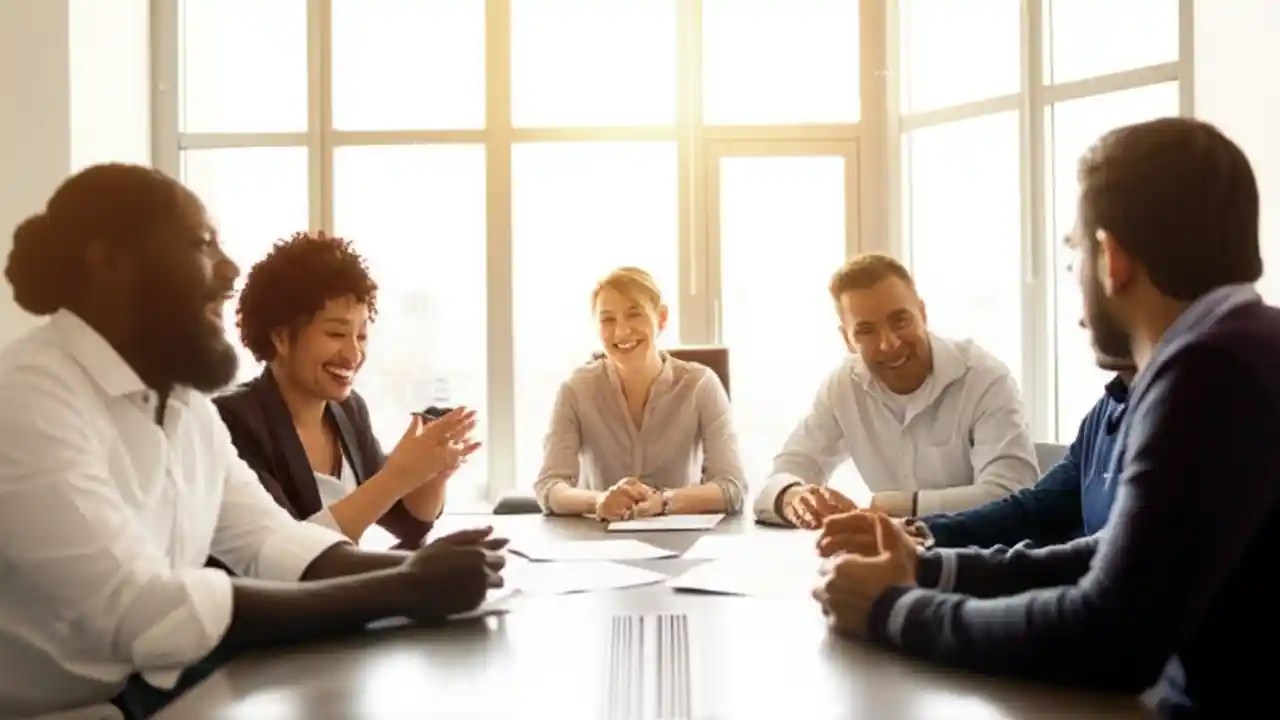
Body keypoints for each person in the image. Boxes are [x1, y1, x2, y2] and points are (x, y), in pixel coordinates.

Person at [0, 164, 506, 719]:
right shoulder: (26, 398)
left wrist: (427, 570)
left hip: (166, 698)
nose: (228, 268)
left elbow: (271, 543)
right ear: (111, 263)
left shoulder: (186, 408)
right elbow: (143, 611)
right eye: (202, 244)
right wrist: (404, 588)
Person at [813, 117, 1279, 718]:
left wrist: (891, 609)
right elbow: (1116, 556)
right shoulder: (1241, 349)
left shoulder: (1209, 372)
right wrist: (928, 567)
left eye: (1073, 256)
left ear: (1111, 259)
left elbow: (1112, 633)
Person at [215, 232, 478, 549]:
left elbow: (406, 523)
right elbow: (281, 554)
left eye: (362, 336)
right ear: (281, 338)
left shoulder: (348, 410)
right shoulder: (232, 422)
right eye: (336, 333)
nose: (353, 355)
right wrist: (397, 476)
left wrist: (431, 472)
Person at [752, 253, 1038, 528]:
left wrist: (892, 507)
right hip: (893, 562)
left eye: (899, 320)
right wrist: (794, 497)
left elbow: (1011, 495)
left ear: (922, 313)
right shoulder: (843, 386)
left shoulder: (984, 379)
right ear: (848, 340)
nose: (889, 343)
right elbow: (779, 477)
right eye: (866, 331)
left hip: (985, 561)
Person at [535, 267, 747, 520]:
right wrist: (598, 501)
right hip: (598, 542)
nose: (621, 332)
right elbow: (549, 486)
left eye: (634, 315)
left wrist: (664, 501)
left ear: (662, 318)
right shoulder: (576, 390)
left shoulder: (701, 385)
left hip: (683, 543)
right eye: (607, 319)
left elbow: (732, 488)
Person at [911, 359, 1132, 550]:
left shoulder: (1161, 423)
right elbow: (1034, 510)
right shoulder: (1106, 410)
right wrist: (920, 532)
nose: (1083, 321)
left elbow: (1110, 559)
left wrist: (943, 568)